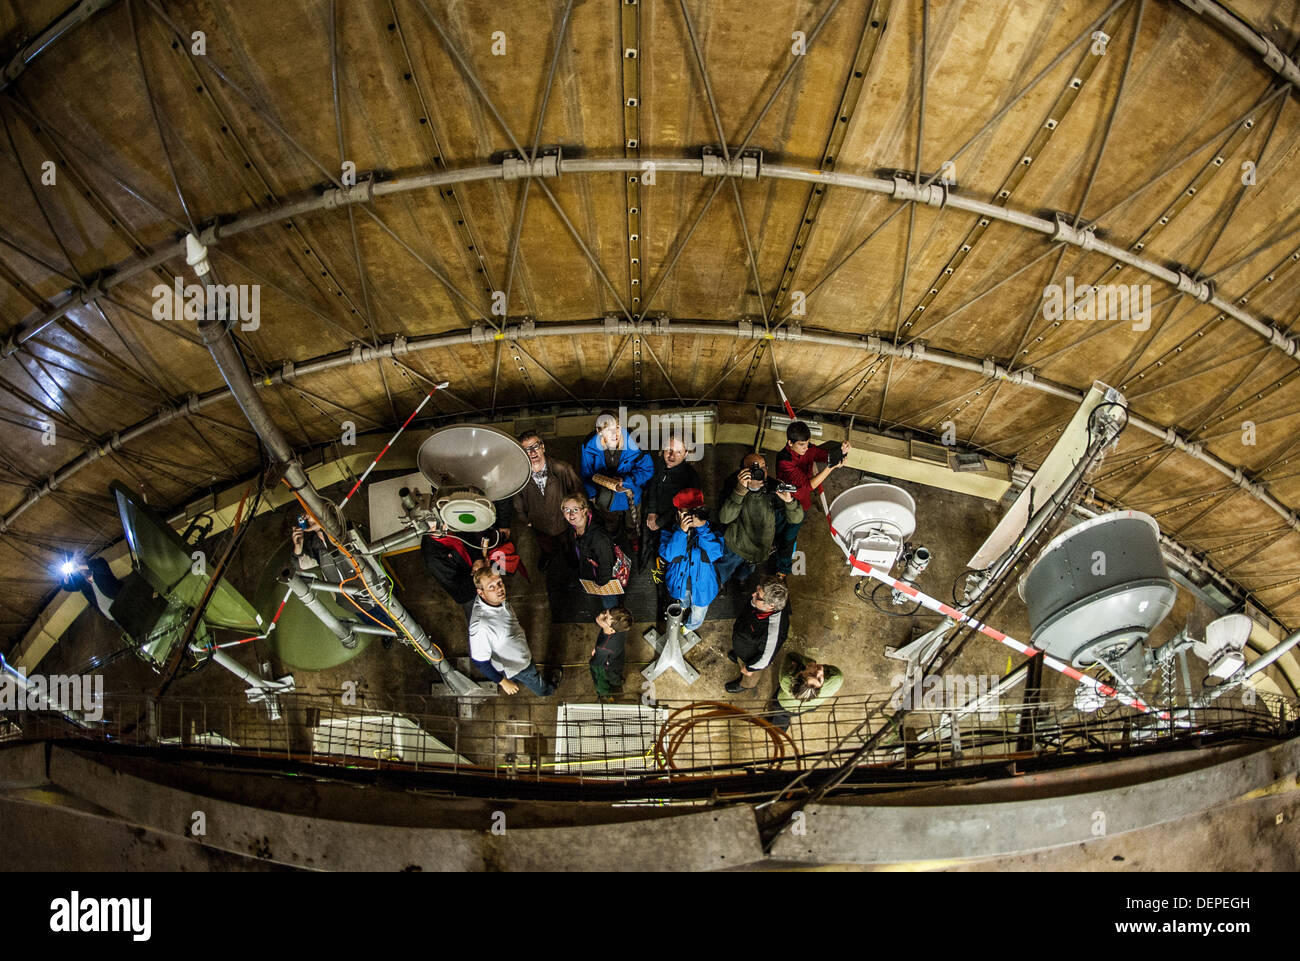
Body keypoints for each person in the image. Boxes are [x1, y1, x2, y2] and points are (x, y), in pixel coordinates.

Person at [292, 513, 400, 644]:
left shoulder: (343, 530)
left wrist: (324, 529)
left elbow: (362, 546)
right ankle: (385, 632)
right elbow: (300, 566)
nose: (306, 518)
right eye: (305, 516)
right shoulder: (314, 545)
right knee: (368, 617)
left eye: (309, 514)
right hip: (347, 599)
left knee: (391, 612)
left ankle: (402, 630)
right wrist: (298, 546)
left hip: (369, 588)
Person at [468, 567, 561, 696]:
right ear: (481, 593)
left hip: (512, 657)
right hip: (519, 666)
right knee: (534, 679)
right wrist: (503, 682)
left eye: (499, 583)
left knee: (516, 676)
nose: (499, 589)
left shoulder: (494, 599)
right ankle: (547, 690)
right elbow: (480, 662)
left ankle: (514, 678)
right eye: (491, 587)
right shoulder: (481, 626)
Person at [715, 453, 804, 589]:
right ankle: (720, 582)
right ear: (742, 471)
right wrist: (740, 490)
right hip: (736, 545)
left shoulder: (774, 488)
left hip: (760, 549)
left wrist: (789, 501)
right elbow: (725, 518)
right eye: (754, 468)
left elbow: (796, 519)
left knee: (748, 569)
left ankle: (741, 579)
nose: (760, 471)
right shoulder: (733, 484)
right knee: (726, 566)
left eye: (763, 466)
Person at [775, 422, 851, 576]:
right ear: (790, 443)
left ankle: (780, 553)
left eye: (808, 443)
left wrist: (841, 452)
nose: (806, 448)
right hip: (788, 505)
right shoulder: (785, 462)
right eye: (802, 444)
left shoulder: (807, 449)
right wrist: (830, 468)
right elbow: (807, 487)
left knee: (788, 536)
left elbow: (822, 454)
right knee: (788, 538)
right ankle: (782, 570)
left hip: (802, 503)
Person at [511, 430, 584, 568]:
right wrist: (526, 520)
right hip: (540, 525)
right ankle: (548, 556)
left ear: (542, 447)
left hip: (564, 522)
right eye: (526, 449)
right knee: (546, 546)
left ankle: (572, 560)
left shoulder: (562, 469)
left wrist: (576, 516)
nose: (532, 452)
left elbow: (577, 492)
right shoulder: (520, 477)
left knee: (568, 546)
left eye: (535, 446)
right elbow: (517, 503)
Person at [578, 409, 653, 543]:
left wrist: (627, 480)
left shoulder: (635, 441)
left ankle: (634, 548)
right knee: (610, 526)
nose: (615, 434)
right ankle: (615, 549)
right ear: (599, 431)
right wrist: (593, 495)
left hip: (631, 492)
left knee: (633, 526)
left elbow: (647, 469)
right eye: (608, 429)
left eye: (617, 427)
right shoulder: (589, 445)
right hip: (605, 496)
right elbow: (586, 473)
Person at [658, 488, 724, 631]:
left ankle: (690, 626)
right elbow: (670, 556)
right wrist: (681, 532)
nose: (693, 517)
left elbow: (715, 553)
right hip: (679, 582)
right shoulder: (670, 529)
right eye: (688, 513)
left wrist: (703, 529)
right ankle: (684, 606)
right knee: (683, 600)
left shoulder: (711, 528)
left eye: (696, 511)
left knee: (699, 611)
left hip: (703, 586)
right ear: (678, 512)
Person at [640, 432, 699, 567]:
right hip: (653, 514)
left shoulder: (691, 478)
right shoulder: (658, 464)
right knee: (648, 541)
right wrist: (652, 512)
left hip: (672, 523)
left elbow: (683, 507)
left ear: (686, 454)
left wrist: (659, 522)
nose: (672, 456)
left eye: (678, 452)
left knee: (667, 553)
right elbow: (653, 486)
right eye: (669, 449)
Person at [725, 576, 791, 694]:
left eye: (758, 596)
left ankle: (745, 684)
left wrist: (749, 668)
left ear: (771, 606)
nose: (753, 595)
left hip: (751, 659)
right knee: (740, 655)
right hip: (744, 644)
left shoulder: (773, 631)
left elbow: (765, 659)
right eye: (757, 590)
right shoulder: (762, 606)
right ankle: (739, 657)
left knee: (750, 676)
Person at [563, 493, 626, 611]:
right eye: (566, 510)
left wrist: (600, 583)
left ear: (584, 511)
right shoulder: (573, 526)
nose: (571, 514)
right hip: (589, 570)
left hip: (602, 577)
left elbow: (606, 566)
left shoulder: (598, 538)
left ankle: (612, 620)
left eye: (575, 509)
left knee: (608, 601)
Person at [420, 520, 492, 623]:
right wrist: (478, 575)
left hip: (481, 575)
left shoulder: (448, 522)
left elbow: (468, 536)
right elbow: (459, 592)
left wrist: (478, 558)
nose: (442, 525)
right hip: (471, 594)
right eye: (432, 524)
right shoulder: (432, 558)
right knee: (481, 625)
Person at [769, 651, 843, 730]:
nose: (819, 671)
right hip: (810, 707)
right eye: (819, 678)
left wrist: (809, 663)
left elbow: (791, 656)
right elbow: (827, 669)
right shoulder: (836, 678)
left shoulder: (785, 679)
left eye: (811, 674)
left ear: (799, 673)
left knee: (781, 716)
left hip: (785, 706)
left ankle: (778, 729)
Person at [589, 606, 633, 702]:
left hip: (605, 667)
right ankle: (618, 683)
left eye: (605, 618)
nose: (602, 615)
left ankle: (605, 696)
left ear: (611, 630)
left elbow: (597, 663)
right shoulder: (622, 629)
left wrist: (597, 650)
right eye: (606, 612)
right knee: (615, 677)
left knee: (600, 680)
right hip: (618, 660)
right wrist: (603, 624)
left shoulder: (603, 648)